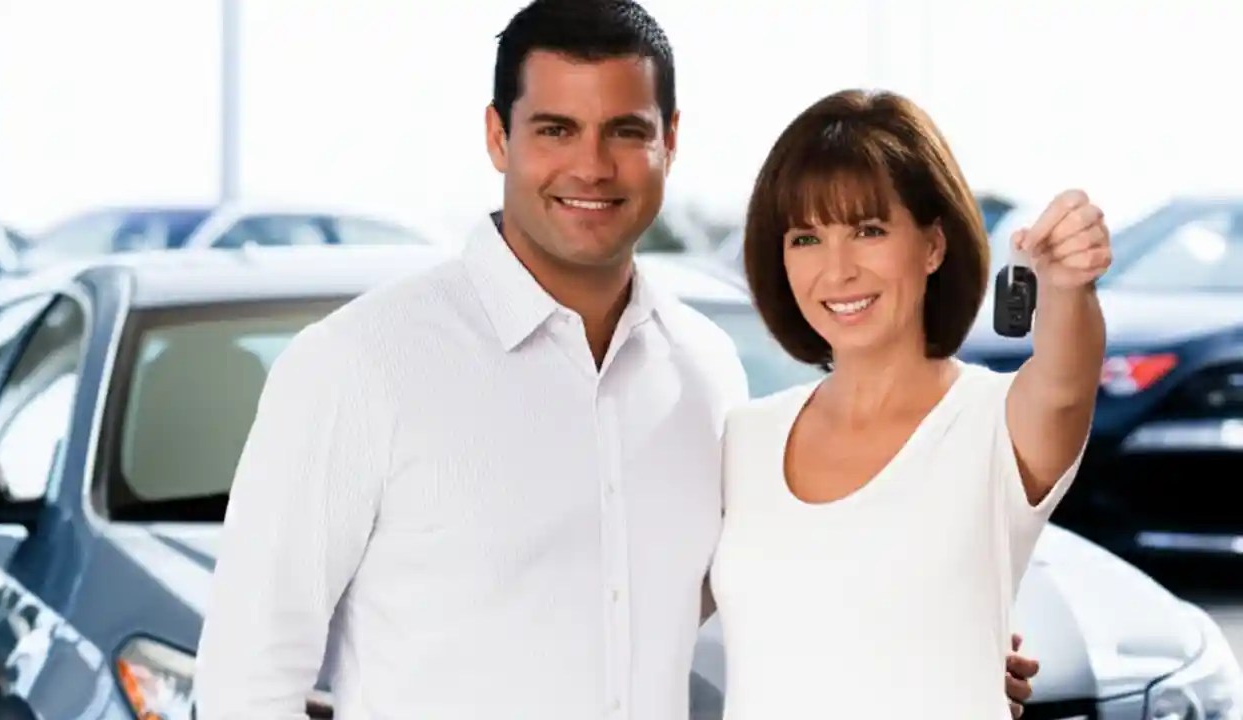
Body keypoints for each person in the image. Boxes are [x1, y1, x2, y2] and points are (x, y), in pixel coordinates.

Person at [194, 1, 1042, 718]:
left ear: (670, 140)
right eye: (556, 129)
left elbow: (766, 594)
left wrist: (937, 642)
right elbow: (245, 679)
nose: (591, 167)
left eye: (625, 131)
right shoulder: (358, 366)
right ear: (498, 137)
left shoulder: (707, 374)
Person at [710, 88, 1109, 717]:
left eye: (868, 230)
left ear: (933, 245)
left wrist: (1067, 284)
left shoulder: (995, 423)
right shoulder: (744, 438)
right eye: (805, 238)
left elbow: (1065, 381)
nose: (836, 270)